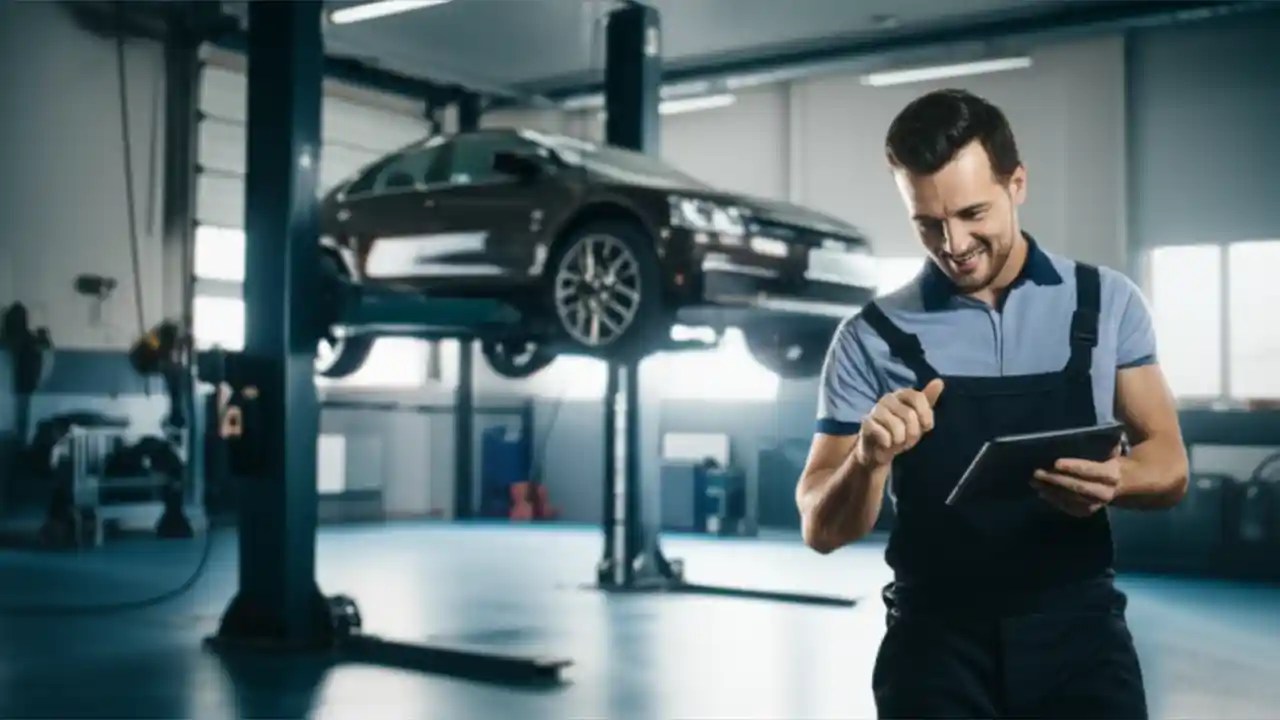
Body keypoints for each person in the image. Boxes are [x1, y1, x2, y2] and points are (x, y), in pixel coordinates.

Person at [796, 88, 1189, 719]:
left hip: (1079, 635)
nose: (952, 243)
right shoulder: (869, 336)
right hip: (934, 646)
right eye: (927, 223)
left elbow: (1170, 465)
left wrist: (1116, 480)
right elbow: (820, 526)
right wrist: (867, 460)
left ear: (1018, 184)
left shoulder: (1107, 302)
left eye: (972, 212)